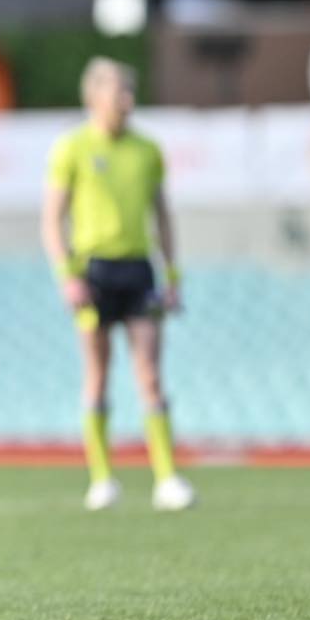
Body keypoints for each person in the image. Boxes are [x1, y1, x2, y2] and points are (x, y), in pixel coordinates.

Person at [41, 57, 195, 512]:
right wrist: (67, 276)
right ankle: (102, 478)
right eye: (118, 92)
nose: (127, 100)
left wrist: (171, 274)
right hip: (94, 272)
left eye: (130, 91)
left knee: (149, 375)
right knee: (98, 374)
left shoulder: (148, 150)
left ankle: (167, 477)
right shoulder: (72, 147)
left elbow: (162, 215)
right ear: (95, 97)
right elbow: (52, 219)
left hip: (138, 270)